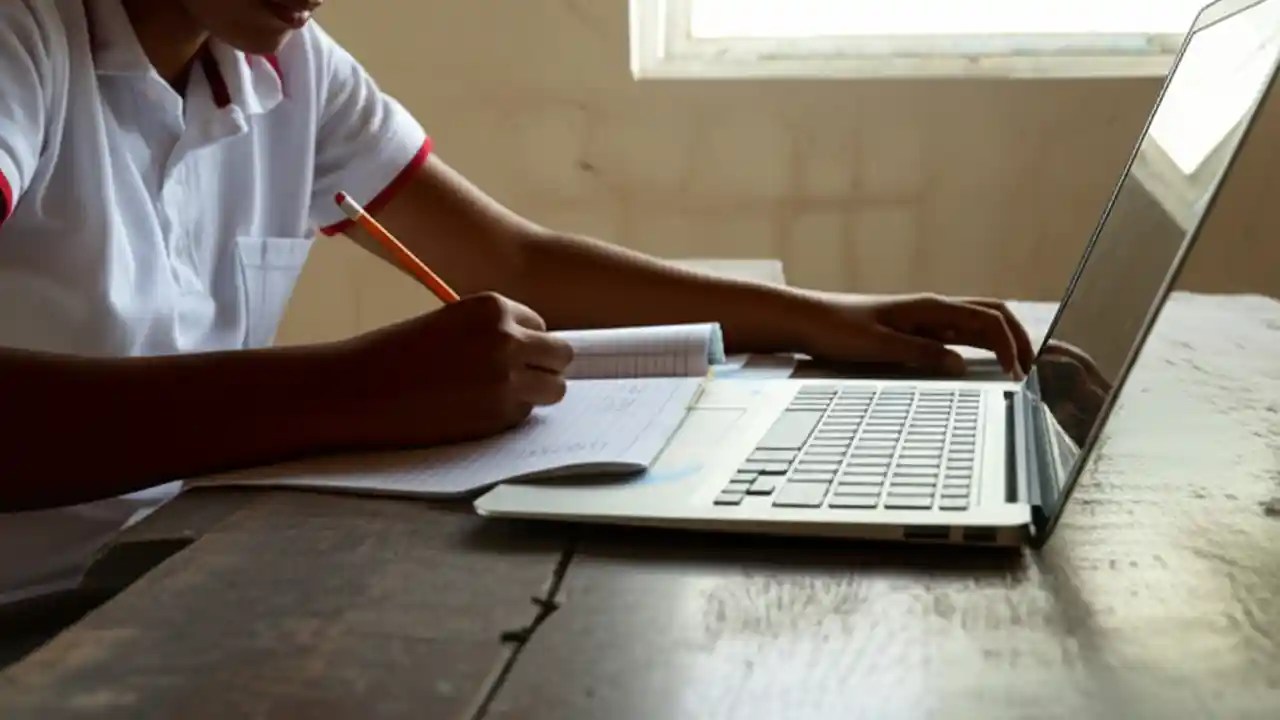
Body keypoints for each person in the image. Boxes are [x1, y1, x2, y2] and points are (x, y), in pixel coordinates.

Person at [0, 0, 1033, 605]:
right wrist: (356, 389)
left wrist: (823, 317)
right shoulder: (23, 42)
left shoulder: (283, 64)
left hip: (168, 574)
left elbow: (514, 262)